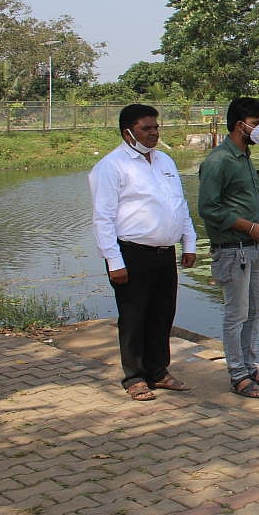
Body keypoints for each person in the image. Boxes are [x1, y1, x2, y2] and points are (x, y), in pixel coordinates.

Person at [89, 104, 197, 402]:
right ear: (128, 132)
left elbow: (180, 205)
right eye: (146, 129)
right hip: (132, 253)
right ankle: (134, 376)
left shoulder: (165, 161)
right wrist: (114, 261)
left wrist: (189, 243)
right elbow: (103, 218)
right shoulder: (112, 166)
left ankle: (158, 371)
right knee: (134, 315)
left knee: (162, 313)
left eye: (156, 127)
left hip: (164, 252)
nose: (153, 133)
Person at [198, 96, 259, 398]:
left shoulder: (244, 156)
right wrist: (250, 227)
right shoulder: (218, 161)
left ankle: (250, 365)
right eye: (258, 123)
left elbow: (242, 199)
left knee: (257, 308)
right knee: (236, 314)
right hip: (232, 249)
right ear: (240, 125)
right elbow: (209, 208)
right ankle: (238, 375)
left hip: (252, 248)